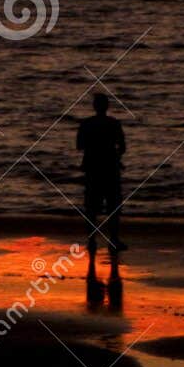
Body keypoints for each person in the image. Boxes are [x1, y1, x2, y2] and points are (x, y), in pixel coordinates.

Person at [77, 93, 126, 261]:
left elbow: (79, 145)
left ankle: (92, 240)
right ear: (107, 106)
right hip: (110, 168)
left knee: (91, 206)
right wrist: (115, 156)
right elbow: (123, 146)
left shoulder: (86, 124)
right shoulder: (114, 123)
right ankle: (113, 239)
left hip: (93, 168)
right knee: (113, 205)